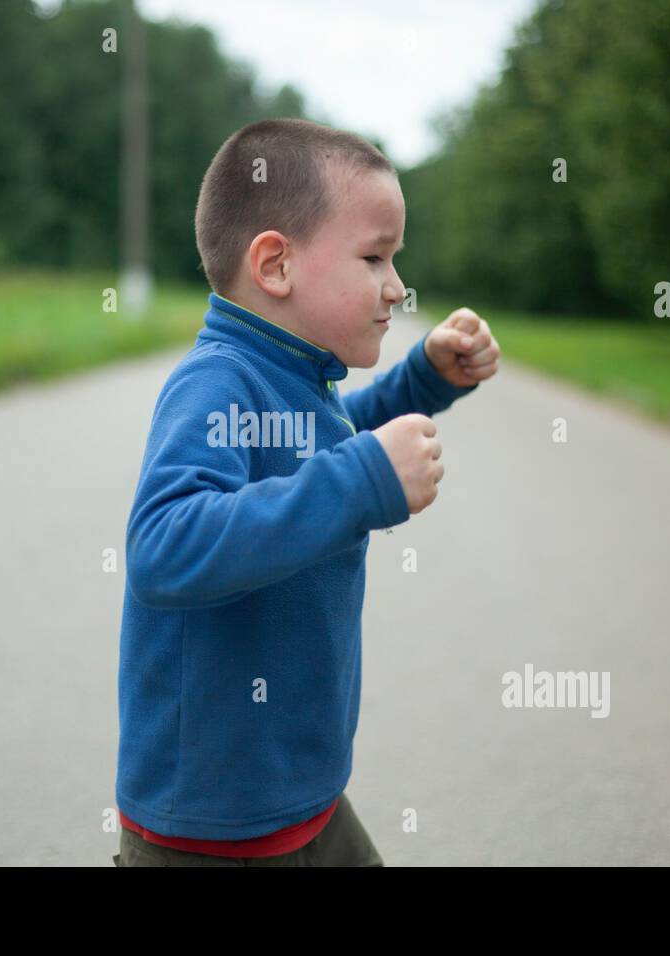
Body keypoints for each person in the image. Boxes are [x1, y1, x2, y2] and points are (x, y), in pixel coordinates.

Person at [113, 118, 500, 866]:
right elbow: (163, 546)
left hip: (302, 799)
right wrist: (363, 478)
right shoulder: (218, 380)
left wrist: (422, 379)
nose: (397, 287)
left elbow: (310, 450)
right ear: (276, 265)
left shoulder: (294, 374)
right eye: (375, 258)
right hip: (212, 829)